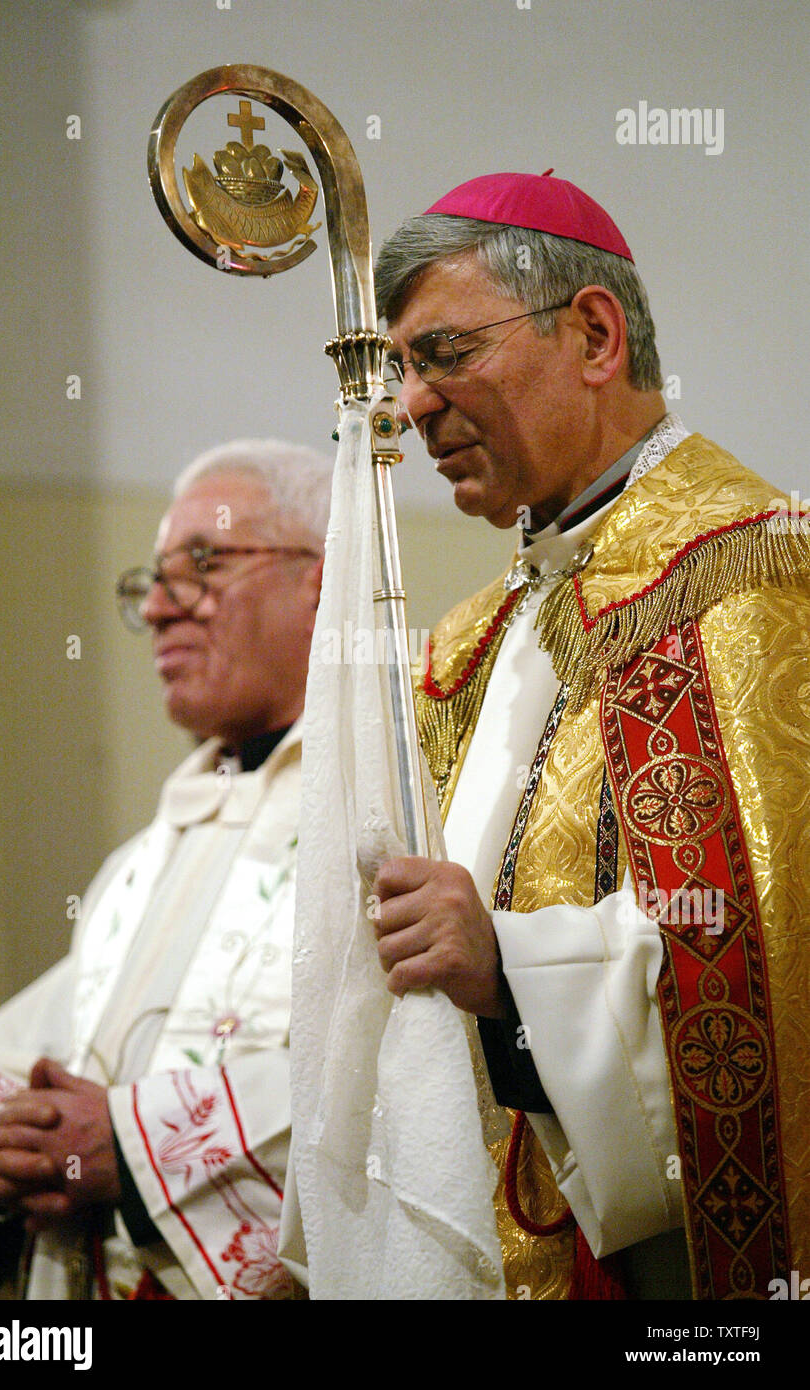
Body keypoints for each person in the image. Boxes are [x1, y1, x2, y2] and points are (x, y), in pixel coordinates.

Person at [370, 172, 809, 1300]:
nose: (412, 404)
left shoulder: (753, 577)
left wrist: (511, 979)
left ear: (593, 335)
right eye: (403, 368)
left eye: (447, 350)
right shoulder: (479, 638)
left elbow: (769, 969)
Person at [0, 438, 330, 1299]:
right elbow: (4, 1060)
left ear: (324, 577)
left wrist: (129, 1146)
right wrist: (12, 1153)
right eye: (150, 579)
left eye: (203, 564)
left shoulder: (393, 811)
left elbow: (410, 1079)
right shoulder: (140, 860)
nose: (157, 608)